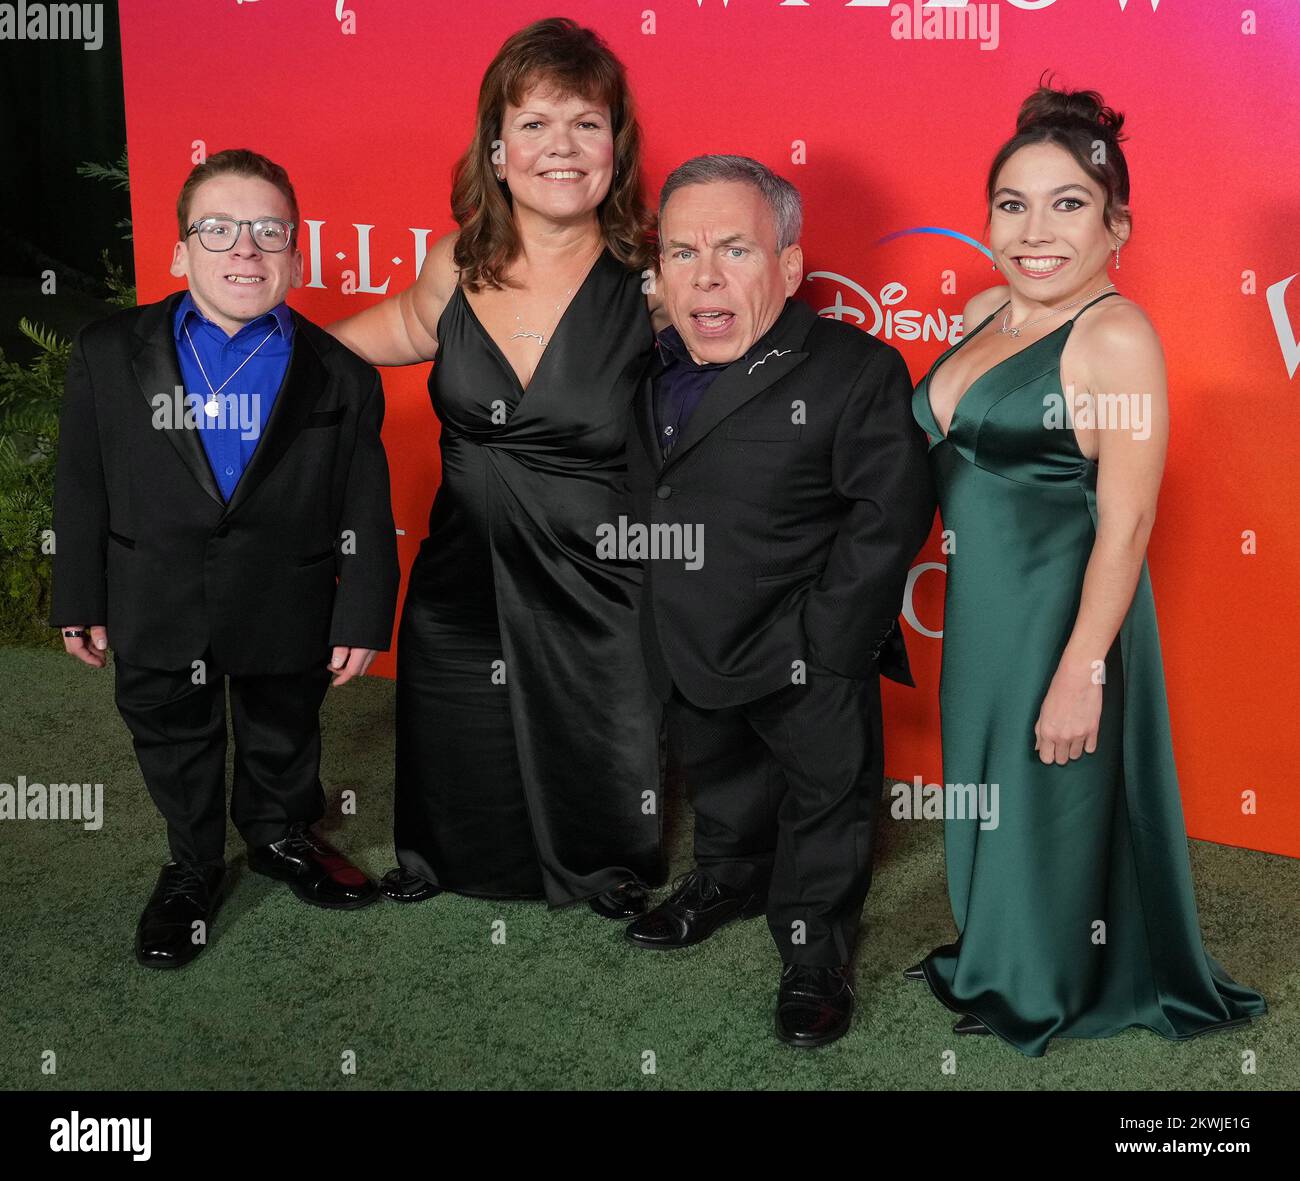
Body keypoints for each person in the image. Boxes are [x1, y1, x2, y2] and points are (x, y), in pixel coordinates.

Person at [907, 80, 1267, 1055]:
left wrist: (1083, 667)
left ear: (1117, 227)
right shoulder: (986, 308)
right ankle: (994, 954)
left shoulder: (1116, 337)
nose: (1035, 231)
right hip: (982, 610)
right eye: (1012, 204)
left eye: (1068, 204)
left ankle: (1049, 983)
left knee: (1051, 785)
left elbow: (1129, 518)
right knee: (991, 779)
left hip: (1064, 612)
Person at [328, 18, 666, 916]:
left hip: (598, 573)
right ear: (497, 147)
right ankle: (443, 853)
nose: (562, 146)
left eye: (587, 124)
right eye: (535, 123)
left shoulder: (654, 277)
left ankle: (602, 862)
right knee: (456, 707)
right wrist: (263, 355)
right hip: (463, 559)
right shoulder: (456, 261)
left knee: (596, 731)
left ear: (617, 147)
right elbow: (394, 330)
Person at [50, 148, 400, 969]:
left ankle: (279, 835)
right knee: (171, 730)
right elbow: (81, 483)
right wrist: (79, 595)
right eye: (218, 228)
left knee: (284, 728)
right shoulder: (108, 351)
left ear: (296, 257)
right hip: (154, 592)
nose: (245, 247)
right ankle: (193, 861)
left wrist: (361, 610)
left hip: (288, 595)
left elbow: (365, 504)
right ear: (180, 252)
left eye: (269, 230)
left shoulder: (343, 374)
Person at [622, 155, 936, 1047]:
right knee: (720, 773)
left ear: (790, 266)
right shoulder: (644, 360)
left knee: (826, 803)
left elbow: (889, 514)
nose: (704, 276)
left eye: (734, 249)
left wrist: (830, 643)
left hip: (804, 645)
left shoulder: (854, 369)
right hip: (685, 635)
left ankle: (814, 950)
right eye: (681, 252)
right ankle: (728, 875)